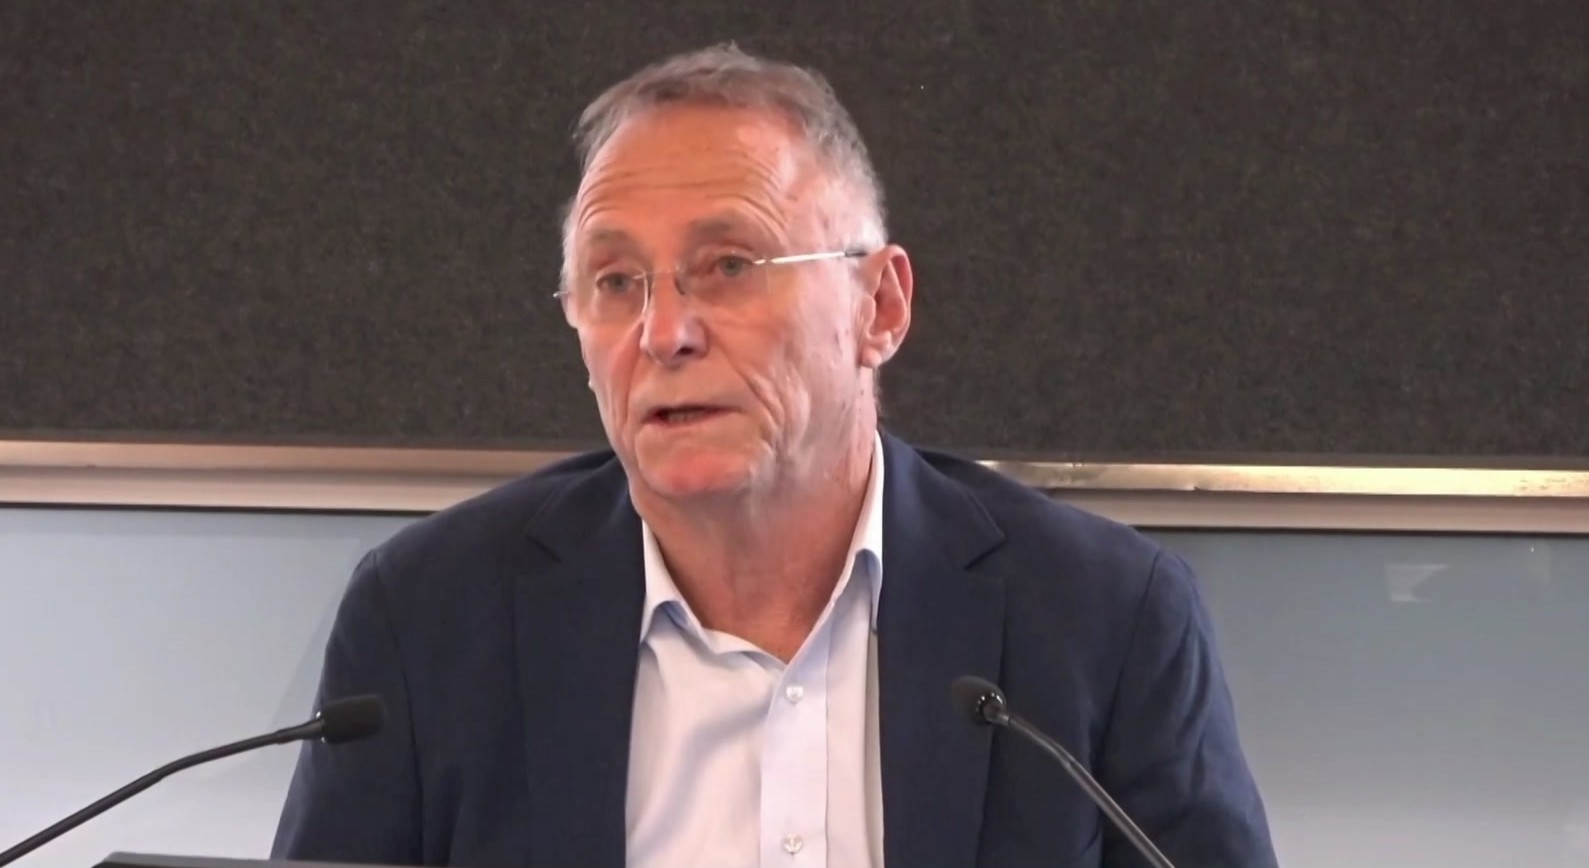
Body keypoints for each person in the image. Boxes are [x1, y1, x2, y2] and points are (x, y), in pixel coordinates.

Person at [271, 43, 1278, 868]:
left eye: (728, 266)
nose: (662, 332)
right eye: (614, 281)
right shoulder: (431, 616)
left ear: (877, 307)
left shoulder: (1104, 616)